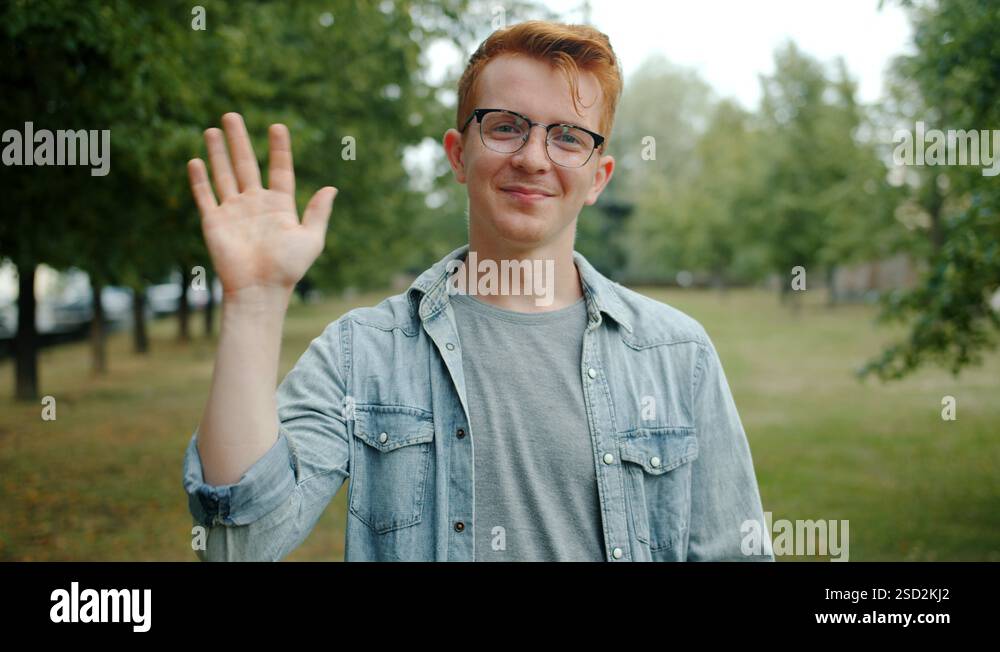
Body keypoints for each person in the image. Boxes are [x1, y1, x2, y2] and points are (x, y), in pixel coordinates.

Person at [181, 20, 773, 562]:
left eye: (568, 137)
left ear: (598, 176)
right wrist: (254, 305)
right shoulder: (363, 354)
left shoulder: (678, 355)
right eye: (506, 127)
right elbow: (239, 544)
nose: (534, 158)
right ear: (459, 154)